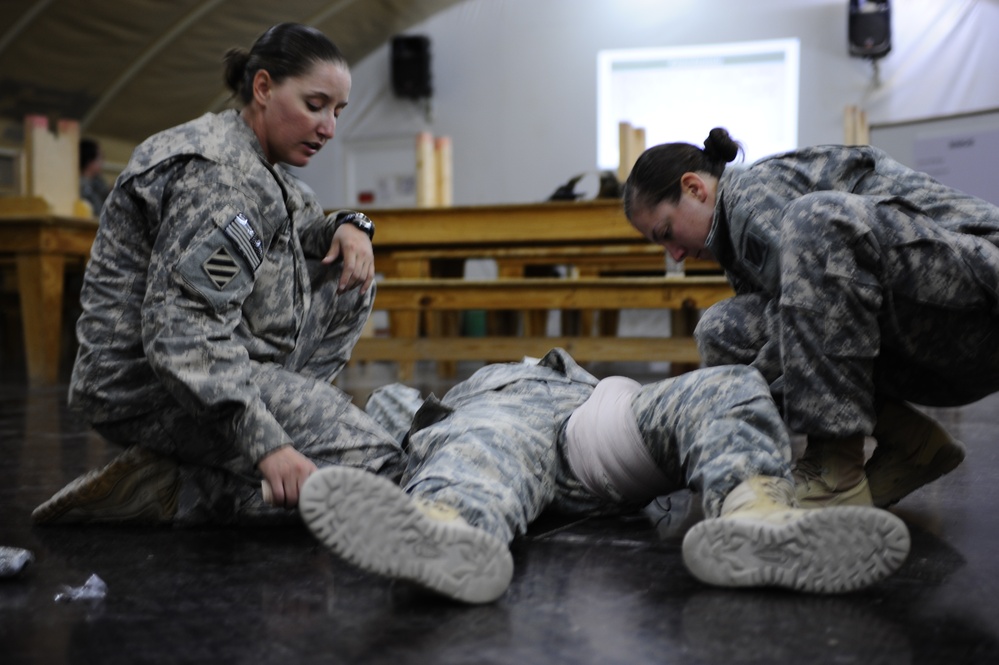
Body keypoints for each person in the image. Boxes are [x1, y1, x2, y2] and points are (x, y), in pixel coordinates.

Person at [32, 23, 404, 526]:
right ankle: (194, 491)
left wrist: (353, 227)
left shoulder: (258, 161)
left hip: (207, 366)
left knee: (350, 275)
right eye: (315, 105)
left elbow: (305, 228)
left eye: (337, 112)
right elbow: (182, 335)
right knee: (376, 463)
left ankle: (193, 468)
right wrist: (267, 443)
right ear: (264, 87)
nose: (329, 129)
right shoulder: (219, 174)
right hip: (149, 387)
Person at [298, 348, 911, 604]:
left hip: (594, 424)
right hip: (504, 430)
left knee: (727, 384)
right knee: (483, 441)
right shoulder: (446, 403)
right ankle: (444, 530)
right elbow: (388, 430)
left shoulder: (563, 375)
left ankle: (756, 518)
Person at [621, 128, 994, 509]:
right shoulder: (733, 236)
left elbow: (813, 314)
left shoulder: (750, 194)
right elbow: (800, 328)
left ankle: (835, 470)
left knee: (814, 221)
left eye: (667, 232)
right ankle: (913, 444)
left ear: (695, 188)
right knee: (724, 331)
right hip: (938, 325)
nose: (676, 254)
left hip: (982, 298)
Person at [79, 138, 112, 216]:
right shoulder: (80, 187)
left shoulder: (98, 183)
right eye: (100, 157)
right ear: (90, 161)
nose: (102, 162)